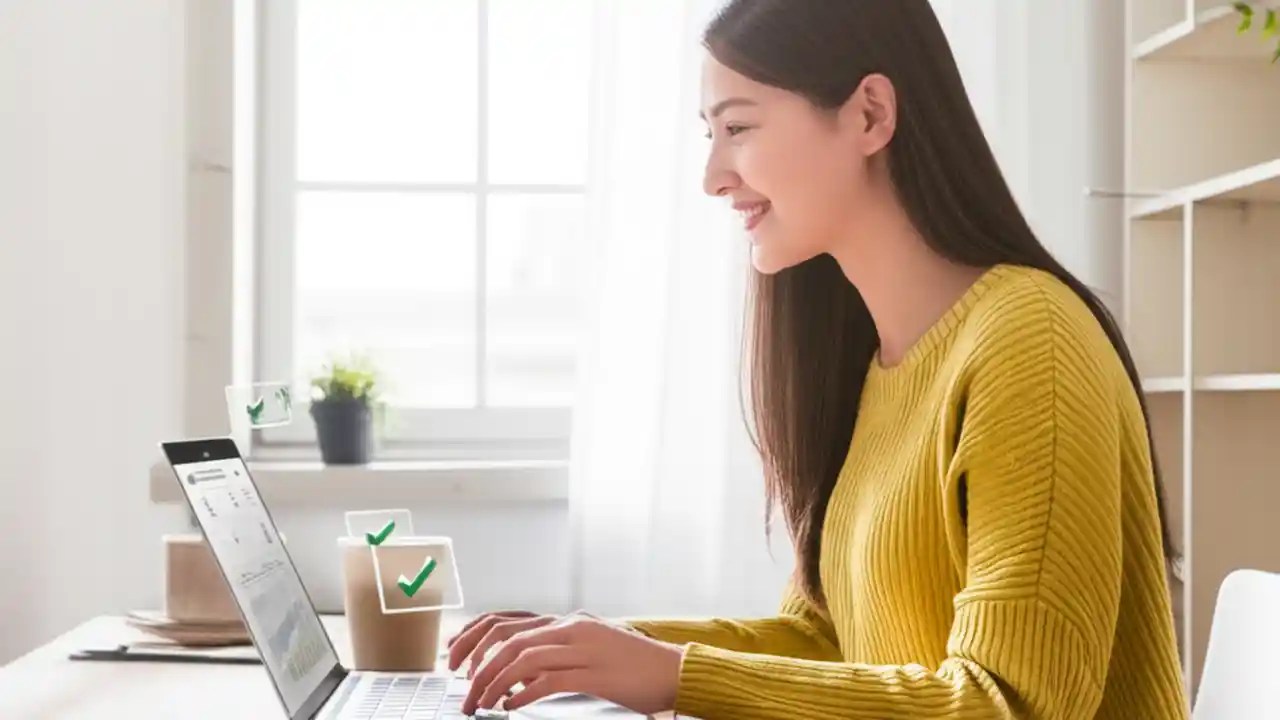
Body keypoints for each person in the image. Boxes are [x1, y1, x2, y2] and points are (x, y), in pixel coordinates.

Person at [451, 1, 1189, 717]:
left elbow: (1014, 705)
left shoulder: (1030, 341)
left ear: (870, 114)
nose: (712, 174)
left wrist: (675, 676)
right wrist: (604, 647)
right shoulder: (875, 362)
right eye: (709, 134)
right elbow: (828, 640)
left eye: (738, 127)